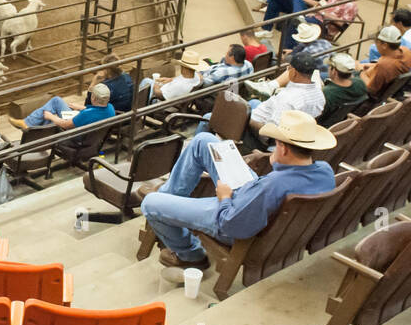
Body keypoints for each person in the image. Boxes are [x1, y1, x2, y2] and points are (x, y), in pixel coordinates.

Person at [139, 110, 336, 269]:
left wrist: (224, 198)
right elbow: (268, 191)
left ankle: (191, 255)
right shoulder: (325, 171)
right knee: (203, 141)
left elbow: (231, 224)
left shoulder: (273, 184)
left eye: (276, 145)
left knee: (151, 203)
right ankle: (169, 209)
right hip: (255, 198)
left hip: (231, 215)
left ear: (283, 149)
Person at [247, 51, 325, 139]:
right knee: (254, 102)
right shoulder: (320, 94)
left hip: (262, 131)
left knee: (241, 109)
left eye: (288, 68)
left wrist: (249, 120)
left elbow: (273, 133)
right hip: (298, 132)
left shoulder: (287, 98)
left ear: (294, 72)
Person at [13, 82, 115, 131]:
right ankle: (30, 127)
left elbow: (65, 125)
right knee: (56, 101)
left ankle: (27, 125)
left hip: (75, 135)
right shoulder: (110, 108)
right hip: (89, 136)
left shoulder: (86, 115)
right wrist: (80, 107)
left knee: (48, 115)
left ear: (93, 98)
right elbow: (96, 111)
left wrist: (51, 117)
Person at [360, 25, 411, 98]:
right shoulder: (406, 52)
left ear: (384, 45)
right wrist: (371, 66)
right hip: (389, 86)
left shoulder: (384, 65)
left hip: (373, 95)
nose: (376, 46)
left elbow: (371, 90)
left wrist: (361, 73)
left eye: (377, 43)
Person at [319, 52, 368, 124]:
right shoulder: (360, 83)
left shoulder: (327, 93)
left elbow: (319, 116)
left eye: (329, 66)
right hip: (344, 120)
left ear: (334, 71)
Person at [139, 50, 206, 102]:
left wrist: (156, 85)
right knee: (147, 80)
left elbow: (159, 95)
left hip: (161, 102)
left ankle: (135, 107)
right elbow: (200, 76)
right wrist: (170, 79)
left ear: (183, 67)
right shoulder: (197, 76)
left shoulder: (179, 85)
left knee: (146, 83)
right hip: (172, 94)